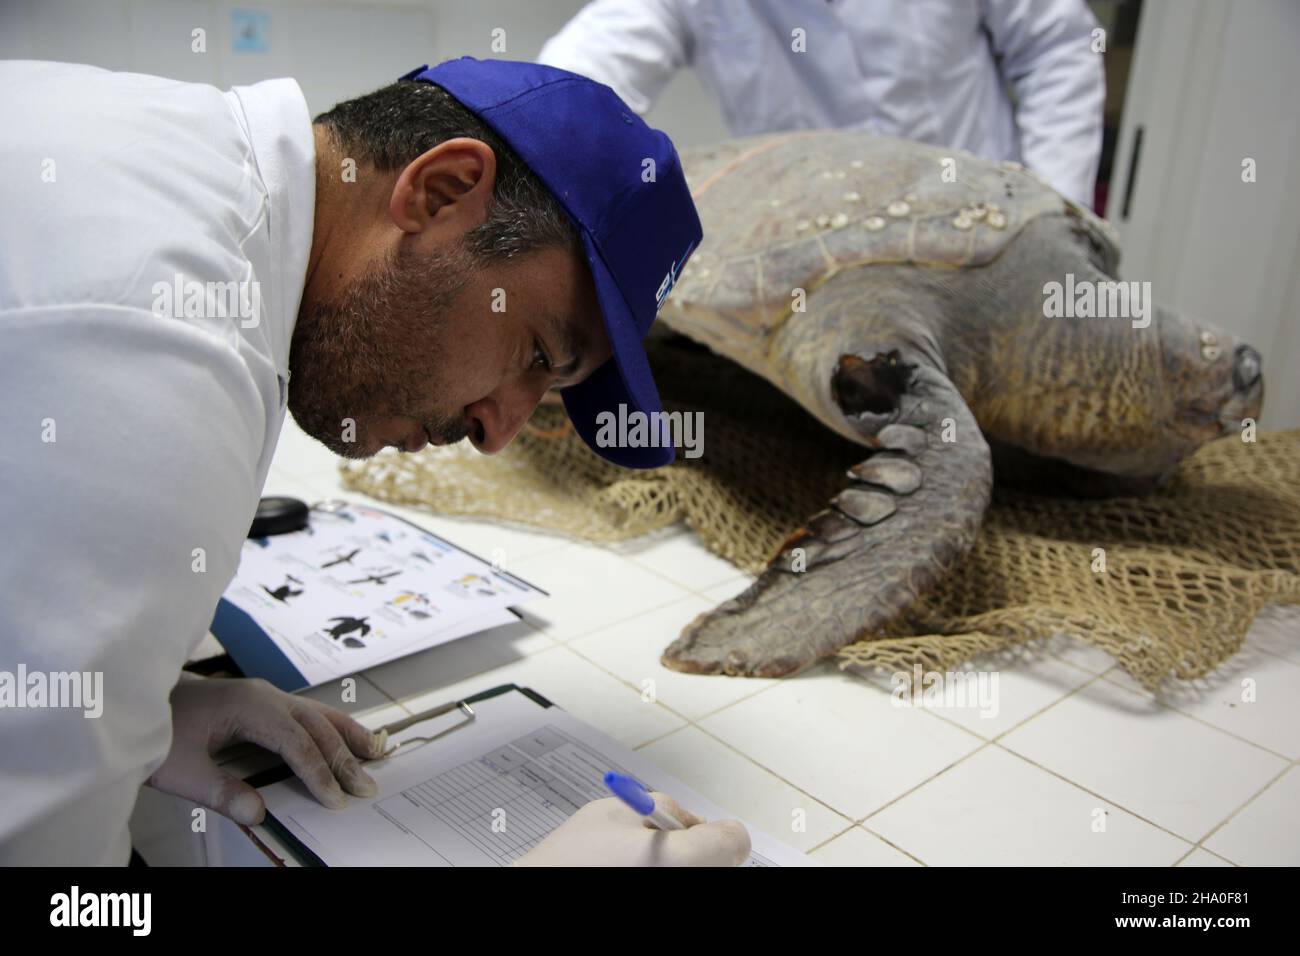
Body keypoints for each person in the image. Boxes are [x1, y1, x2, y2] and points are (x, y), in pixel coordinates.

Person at [0, 56, 749, 867]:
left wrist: (146, 702)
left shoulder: (161, 158)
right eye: (534, 350)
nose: (498, 433)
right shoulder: (163, 356)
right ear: (440, 192)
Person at [539, 0, 1105, 205]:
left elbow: (1056, 46)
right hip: (820, 264)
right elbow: (567, 88)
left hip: (989, 224)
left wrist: (1059, 213)